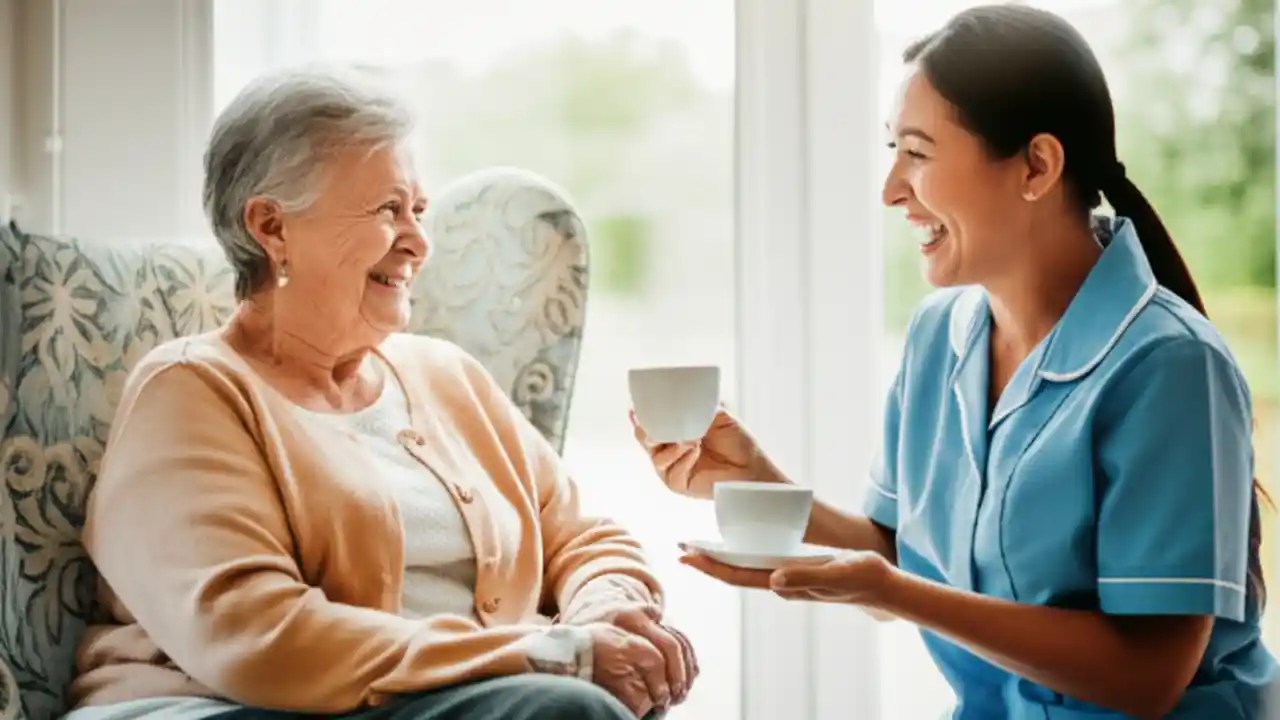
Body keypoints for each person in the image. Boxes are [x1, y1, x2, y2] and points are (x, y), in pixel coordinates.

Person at [635, 5, 1277, 719]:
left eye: (917, 153)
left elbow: (1146, 678)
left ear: (1037, 165)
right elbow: (903, 553)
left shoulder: (1170, 367)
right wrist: (762, 486)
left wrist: (888, 591)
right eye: (892, 150)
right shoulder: (939, 335)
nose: (890, 190)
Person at [65, 68, 695, 720]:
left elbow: (581, 538)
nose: (420, 243)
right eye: (388, 211)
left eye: (418, 211)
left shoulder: (446, 377)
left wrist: (605, 609)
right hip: (229, 706)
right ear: (272, 227)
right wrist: (547, 652)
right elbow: (257, 636)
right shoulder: (193, 393)